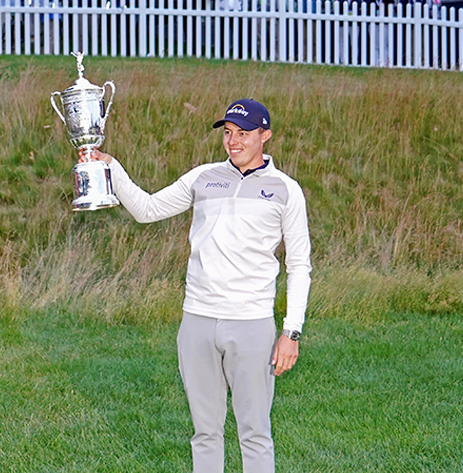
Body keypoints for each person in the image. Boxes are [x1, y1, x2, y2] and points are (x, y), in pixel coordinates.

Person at [89, 98, 312, 473]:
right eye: (228, 133)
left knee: (255, 432)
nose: (233, 141)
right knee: (205, 432)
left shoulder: (285, 190)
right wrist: (111, 167)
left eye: (243, 133)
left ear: (266, 136)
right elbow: (147, 210)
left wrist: (292, 331)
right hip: (197, 321)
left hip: (251, 323)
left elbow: (300, 264)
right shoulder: (203, 177)